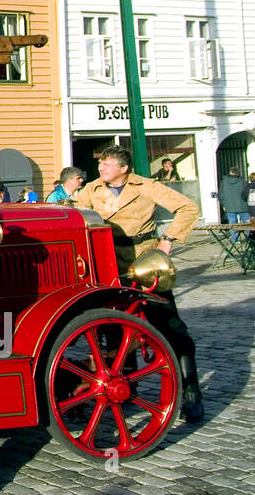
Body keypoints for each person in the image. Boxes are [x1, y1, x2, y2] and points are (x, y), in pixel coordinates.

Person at [74, 145, 204, 422]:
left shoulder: (147, 186)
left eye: (108, 164)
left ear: (123, 168)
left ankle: (190, 391)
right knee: (114, 327)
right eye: (101, 164)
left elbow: (188, 208)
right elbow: (72, 210)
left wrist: (167, 241)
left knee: (170, 326)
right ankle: (126, 388)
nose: (101, 168)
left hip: (144, 265)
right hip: (106, 265)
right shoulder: (92, 190)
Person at [218, 167, 248, 243]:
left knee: (232, 223)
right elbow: (247, 193)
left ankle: (234, 239)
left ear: (230, 172)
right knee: (247, 223)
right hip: (243, 206)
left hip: (229, 206)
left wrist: (223, 205)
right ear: (238, 173)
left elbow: (221, 195)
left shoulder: (224, 182)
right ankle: (249, 239)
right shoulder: (243, 181)